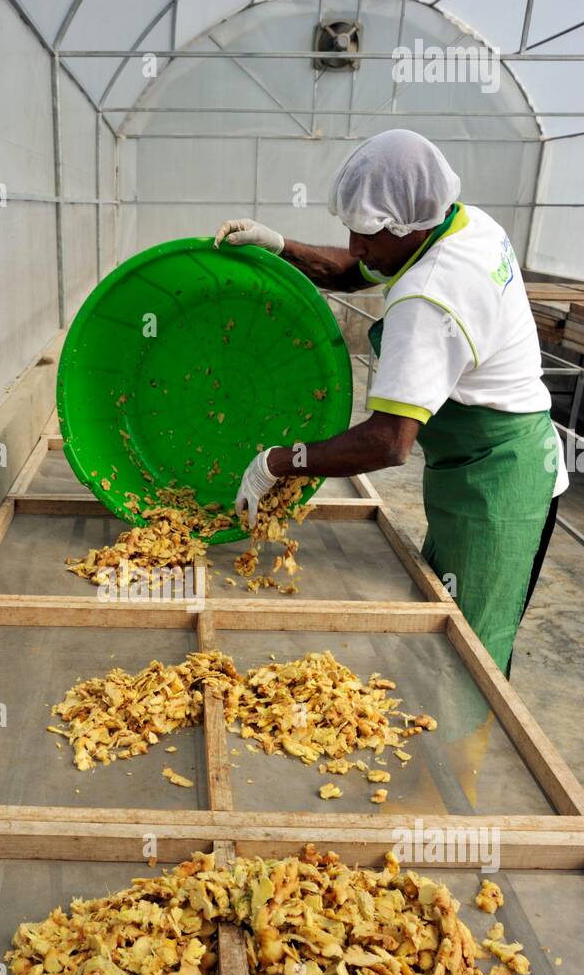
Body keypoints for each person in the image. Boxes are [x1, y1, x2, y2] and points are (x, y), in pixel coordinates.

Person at [217, 128, 568, 675]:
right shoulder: (464, 223)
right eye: (352, 230)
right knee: (449, 615)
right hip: (485, 454)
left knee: (469, 652)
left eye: (369, 234)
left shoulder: (429, 299)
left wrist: (279, 463)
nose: (357, 246)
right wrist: (280, 247)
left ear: (412, 225)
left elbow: (388, 441)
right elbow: (351, 271)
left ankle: (459, 756)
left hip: (502, 480)